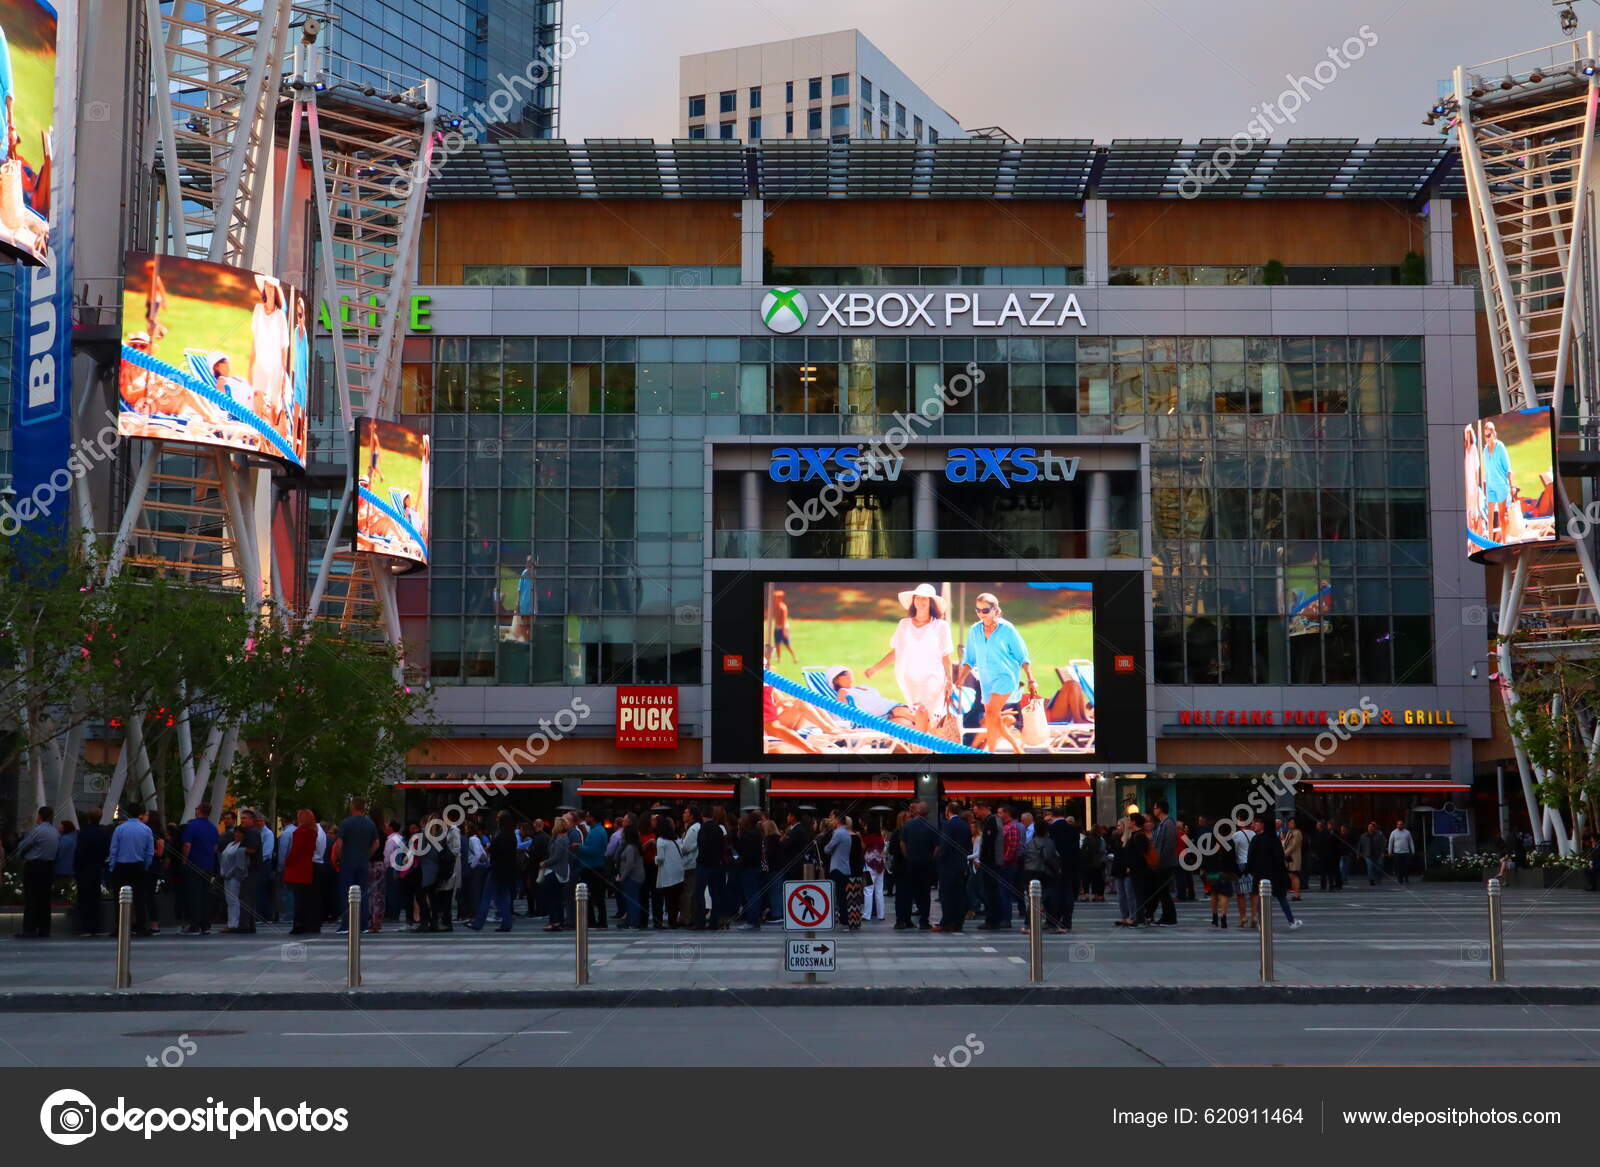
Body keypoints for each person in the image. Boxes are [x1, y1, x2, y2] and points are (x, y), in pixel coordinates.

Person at [955, 593, 1040, 755]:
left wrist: (1031, 679)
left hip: (1006, 677)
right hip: (986, 680)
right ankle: (1006, 750)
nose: (981, 614)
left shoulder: (1007, 629)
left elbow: (1022, 657)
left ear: (995, 610)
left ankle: (997, 751)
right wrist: (961, 677)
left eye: (985, 610)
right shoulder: (974, 630)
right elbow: (970, 659)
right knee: (991, 717)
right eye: (978, 610)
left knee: (991, 713)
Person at [863, 584, 955, 730]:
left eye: (925, 598)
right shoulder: (904, 624)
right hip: (910, 676)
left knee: (924, 709)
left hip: (933, 675)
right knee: (921, 714)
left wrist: (950, 679)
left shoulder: (941, 626)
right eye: (918, 598)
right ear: (914, 600)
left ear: (931, 602)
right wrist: (875, 668)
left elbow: (946, 655)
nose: (921, 601)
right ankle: (923, 740)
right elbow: (897, 651)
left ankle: (921, 741)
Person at [108, 802, 156, 936]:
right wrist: (145, 865)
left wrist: (112, 866)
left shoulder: (119, 829)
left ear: (127, 814)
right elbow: (150, 852)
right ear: (139, 814)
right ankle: (141, 926)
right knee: (139, 897)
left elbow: (114, 849)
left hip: (121, 866)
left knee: (119, 898)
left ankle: (120, 927)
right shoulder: (146, 829)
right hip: (138, 865)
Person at [335, 798, 380, 934]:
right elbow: (376, 843)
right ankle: (363, 924)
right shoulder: (370, 823)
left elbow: (339, 843)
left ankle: (346, 925)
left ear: (352, 806)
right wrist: (367, 855)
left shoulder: (345, 823)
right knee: (363, 893)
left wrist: (339, 857)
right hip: (363, 862)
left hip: (348, 861)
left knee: (347, 893)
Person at [1247, 819, 1302, 929]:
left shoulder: (1256, 839)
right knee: (1281, 898)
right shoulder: (1275, 840)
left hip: (1260, 873)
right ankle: (1291, 921)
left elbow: (1251, 856)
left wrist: (1251, 870)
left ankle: (1260, 922)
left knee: (1260, 897)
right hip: (1275, 873)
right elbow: (1280, 858)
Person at [470, 812, 520, 933]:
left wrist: (489, 849)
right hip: (507, 871)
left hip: (496, 870)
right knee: (505, 897)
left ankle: (478, 923)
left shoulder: (500, 836)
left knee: (486, 897)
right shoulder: (512, 836)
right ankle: (507, 923)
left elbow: (493, 850)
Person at [14, 806, 59, 939]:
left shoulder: (38, 831)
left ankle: (30, 929)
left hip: (34, 867)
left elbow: (23, 846)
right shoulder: (55, 832)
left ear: (40, 816)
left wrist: (22, 854)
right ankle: (44, 929)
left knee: (31, 898)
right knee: (45, 899)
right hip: (49, 867)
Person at [180, 803, 220, 935]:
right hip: (208, 865)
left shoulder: (192, 826)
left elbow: (187, 844)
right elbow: (215, 847)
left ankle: (195, 925)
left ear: (198, 811)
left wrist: (184, 860)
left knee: (194, 895)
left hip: (194, 864)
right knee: (205, 895)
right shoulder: (213, 827)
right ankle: (205, 924)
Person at [74, 808, 111, 937]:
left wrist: (76, 867)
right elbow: (107, 851)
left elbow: (79, 853)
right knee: (95, 898)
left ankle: (86, 926)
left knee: (84, 898)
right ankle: (95, 926)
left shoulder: (83, 833)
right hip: (97, 867)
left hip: (84, 869)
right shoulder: (104, 834)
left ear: (88, 818)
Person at [1020, 819, 1061, 934]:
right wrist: (1056, 869)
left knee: (1034, 899)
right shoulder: (1048, 842)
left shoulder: (1030, 842)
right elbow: (1048, 858)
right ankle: (1050, 924)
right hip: (1043, 872)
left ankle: (1028, 925)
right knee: (1048, 898)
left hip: (1029, 871)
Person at [284, 809, 321, 935]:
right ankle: (306, 923)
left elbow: (295, 851)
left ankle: (298, 924)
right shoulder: (313, 832)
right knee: (306, 898)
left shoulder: (299, 832)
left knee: (298, 898)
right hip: (307, 866)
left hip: (297, 867)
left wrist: (287, 861)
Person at [900, 802, 937, 929]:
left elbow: (902, 843)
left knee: (909, 891)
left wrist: (907, 856)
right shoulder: (932, 826)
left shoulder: (908, 825)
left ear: (917, 811)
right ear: (927, 813)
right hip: (926, 864)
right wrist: (931, 858)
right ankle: (924, 920)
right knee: (925, 893)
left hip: (911, 863)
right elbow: (937, 846)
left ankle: (907, 919)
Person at [934, 803, 970, 932]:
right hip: (961, 864)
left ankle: (947, 922)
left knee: (947, 895)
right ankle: (958, 922)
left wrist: (939, 857)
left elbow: (944, 844)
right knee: (959, 894)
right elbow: (968, 845)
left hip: (948, 865)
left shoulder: (947, 824)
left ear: (948, 810)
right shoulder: (965, 825)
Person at [1112, 815, 1150, 927]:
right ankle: (1130, 917)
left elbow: (1138, 854)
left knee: (1133, 894)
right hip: (1125, 868)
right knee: (1126, 895)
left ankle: (1136, 917)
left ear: (1133, 822)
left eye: (1129, 821)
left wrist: (1130, 866)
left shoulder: (1137, 836)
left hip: (1134, 869)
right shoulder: (1131, 836)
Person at [574, 811, 609, 929]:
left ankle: (598, 921)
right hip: (594, 866)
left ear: (593, 818)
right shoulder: (596, 830)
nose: (586, 818)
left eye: (588, 816)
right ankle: (596, 920)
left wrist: (579, 846)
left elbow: (592, 850)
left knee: (595, 896)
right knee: (596, 896)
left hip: (592, 867)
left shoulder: (596, 831)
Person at [1045, 810, 1080, 930]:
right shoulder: (1073, 829)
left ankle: (1053, 919)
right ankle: (1067, 920)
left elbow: (1049, 850)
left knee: (1054, 893)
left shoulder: (1051, 829)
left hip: (1054, 867)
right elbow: (1076, 850)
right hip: (1069, 866)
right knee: (1068, 893)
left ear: (1052, 815)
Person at [540, 814, 574, 931]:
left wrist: (545, 863)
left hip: (556, 870)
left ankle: (554, 921)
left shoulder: (561, 839)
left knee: (552, 897)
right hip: (561, 871)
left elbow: (556, 856)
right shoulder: (562, 838)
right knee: (557, 897)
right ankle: (558, 921)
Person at [1148, 800, 1179, 925]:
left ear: (1160, 809)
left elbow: (1169, 845)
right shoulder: (1162, 823)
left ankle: (1169, 917)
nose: (1154, 810)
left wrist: (1160, 861)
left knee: (1163, 891)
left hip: (1166, 863)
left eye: (1155, 808)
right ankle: (1167, 916)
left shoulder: (1168, 823)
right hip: (1161, 862)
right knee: (1162, 891)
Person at [1199, 820, 1234, 928]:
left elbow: (1203, 856)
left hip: (1211, 872)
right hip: (1224, 872)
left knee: (1213, 894)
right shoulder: (1229, 842)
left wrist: (1203, 869)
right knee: (1224, 895)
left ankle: (1214, 917)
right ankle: (1223, 917)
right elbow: (1232, 858)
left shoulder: (1208, 841)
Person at [652, 817, 684, 929]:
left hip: (668, 872)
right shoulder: (677, 838)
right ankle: (674, 920)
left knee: (669, 898)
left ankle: (671, 921)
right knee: (676, 898)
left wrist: (655, 859)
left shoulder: (660, 840)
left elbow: (660, 858)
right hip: (679, 871)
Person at [734, 812, 764, 930]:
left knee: (750, 895)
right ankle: (755, 920)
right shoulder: (757, 833)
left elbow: (743, 851)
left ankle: (751, 920)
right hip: (756, 866)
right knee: (754, 894)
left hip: (748, 868)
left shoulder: (748, 835)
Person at [614, 823, 646, 930]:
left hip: (632, 877)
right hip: (635, 876)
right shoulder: (633, 846)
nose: (621, 834)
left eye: (623, 832)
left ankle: (633, 922)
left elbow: (629, 864)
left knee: (632, 900)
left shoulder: (630, 847)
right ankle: (631, 920)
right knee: (632, 899)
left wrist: (622, 877)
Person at [823, 813, 853, 928]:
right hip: (845, 867)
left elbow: (828, 848)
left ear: (837, 820)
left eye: (833, 819)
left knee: (839, 896)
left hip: (837, 868)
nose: (831, 821)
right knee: (842, 896)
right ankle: (843, 919)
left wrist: (826, 847)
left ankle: (843, 920)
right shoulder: (846, 833)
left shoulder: (838, 833)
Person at [220, 827, 248, 930]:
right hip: (225, 875)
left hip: (235, 876)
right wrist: (222, 871)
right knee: (228, 900)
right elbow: (223, 857)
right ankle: (230, 922)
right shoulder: (230, 844)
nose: (237, 834)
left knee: (233, 899)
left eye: (239, 833)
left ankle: (234, 923)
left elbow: (239, 863)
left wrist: (229, 873)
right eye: (236, 833)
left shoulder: (241, 846)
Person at [1233, 818, 1258, 929]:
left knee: (1240, 893)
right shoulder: (1254, 834)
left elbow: (1234, 850)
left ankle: (1243, 917)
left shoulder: (1236, 835)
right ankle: (1254, 916)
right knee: (1253, 892)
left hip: (1241, 864)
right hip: (1253, 864)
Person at [861, 819, 887, 921]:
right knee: (879, 890)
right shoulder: (881, 839)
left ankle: (866, 914)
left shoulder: (867, 838)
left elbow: (862, 848)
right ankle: (881, 914)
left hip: (868, 866)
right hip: (880, 866)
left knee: (868, 890)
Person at [770, 588, 797, 663]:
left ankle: (794, 657)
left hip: (783, 628)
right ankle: (779, 659)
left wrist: (785, 630)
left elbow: (784, 620)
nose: (774, 599)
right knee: (777, 643)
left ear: (780, 598)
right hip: (777, 628)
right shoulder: (775, 606)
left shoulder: (783, 607)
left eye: (775, 598)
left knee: (787, 644)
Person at [1356, 821, 1385, 885]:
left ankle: (1378, 878)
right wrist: (1358, 853)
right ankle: (1371, 879)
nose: (1370, 828)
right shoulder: (1363, 836)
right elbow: (1359, 845)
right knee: (1370, 867)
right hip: (1368, 854)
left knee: (1379, 866)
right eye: (1369, 827)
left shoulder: (1379, 835)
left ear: (1374, 828)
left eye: (1371, 827)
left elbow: (1382, 844)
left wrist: (1382, 852)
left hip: (1377, 854)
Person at [1387, 818, 1416, 884]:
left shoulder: (1407, 832)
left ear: (1403, 825)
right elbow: (1390, 842)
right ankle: (1400, 879)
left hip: (1406, 852)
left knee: (1406, 866)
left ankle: (1406, 877)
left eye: (1401, 824)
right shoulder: (1393, 832)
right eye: (1398, 824)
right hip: (1397, 852)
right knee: (1398, 866)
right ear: (1396, 825)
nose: (1400, 825)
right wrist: (1389, 852)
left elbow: (1411, 842)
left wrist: (1413, 850)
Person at [1282, 817, 1304, 900]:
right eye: (1289, 822)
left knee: (1294, 875)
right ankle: (1296, 893)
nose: (1289, 824)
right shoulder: (1290, 831)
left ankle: (1297, 894)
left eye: (1291, 822)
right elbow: (1286, 843)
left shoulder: (1297, 832)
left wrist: (1284, 854)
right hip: (1289, 857)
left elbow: (1293, 846)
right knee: (1291, 875)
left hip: (1294, 857)